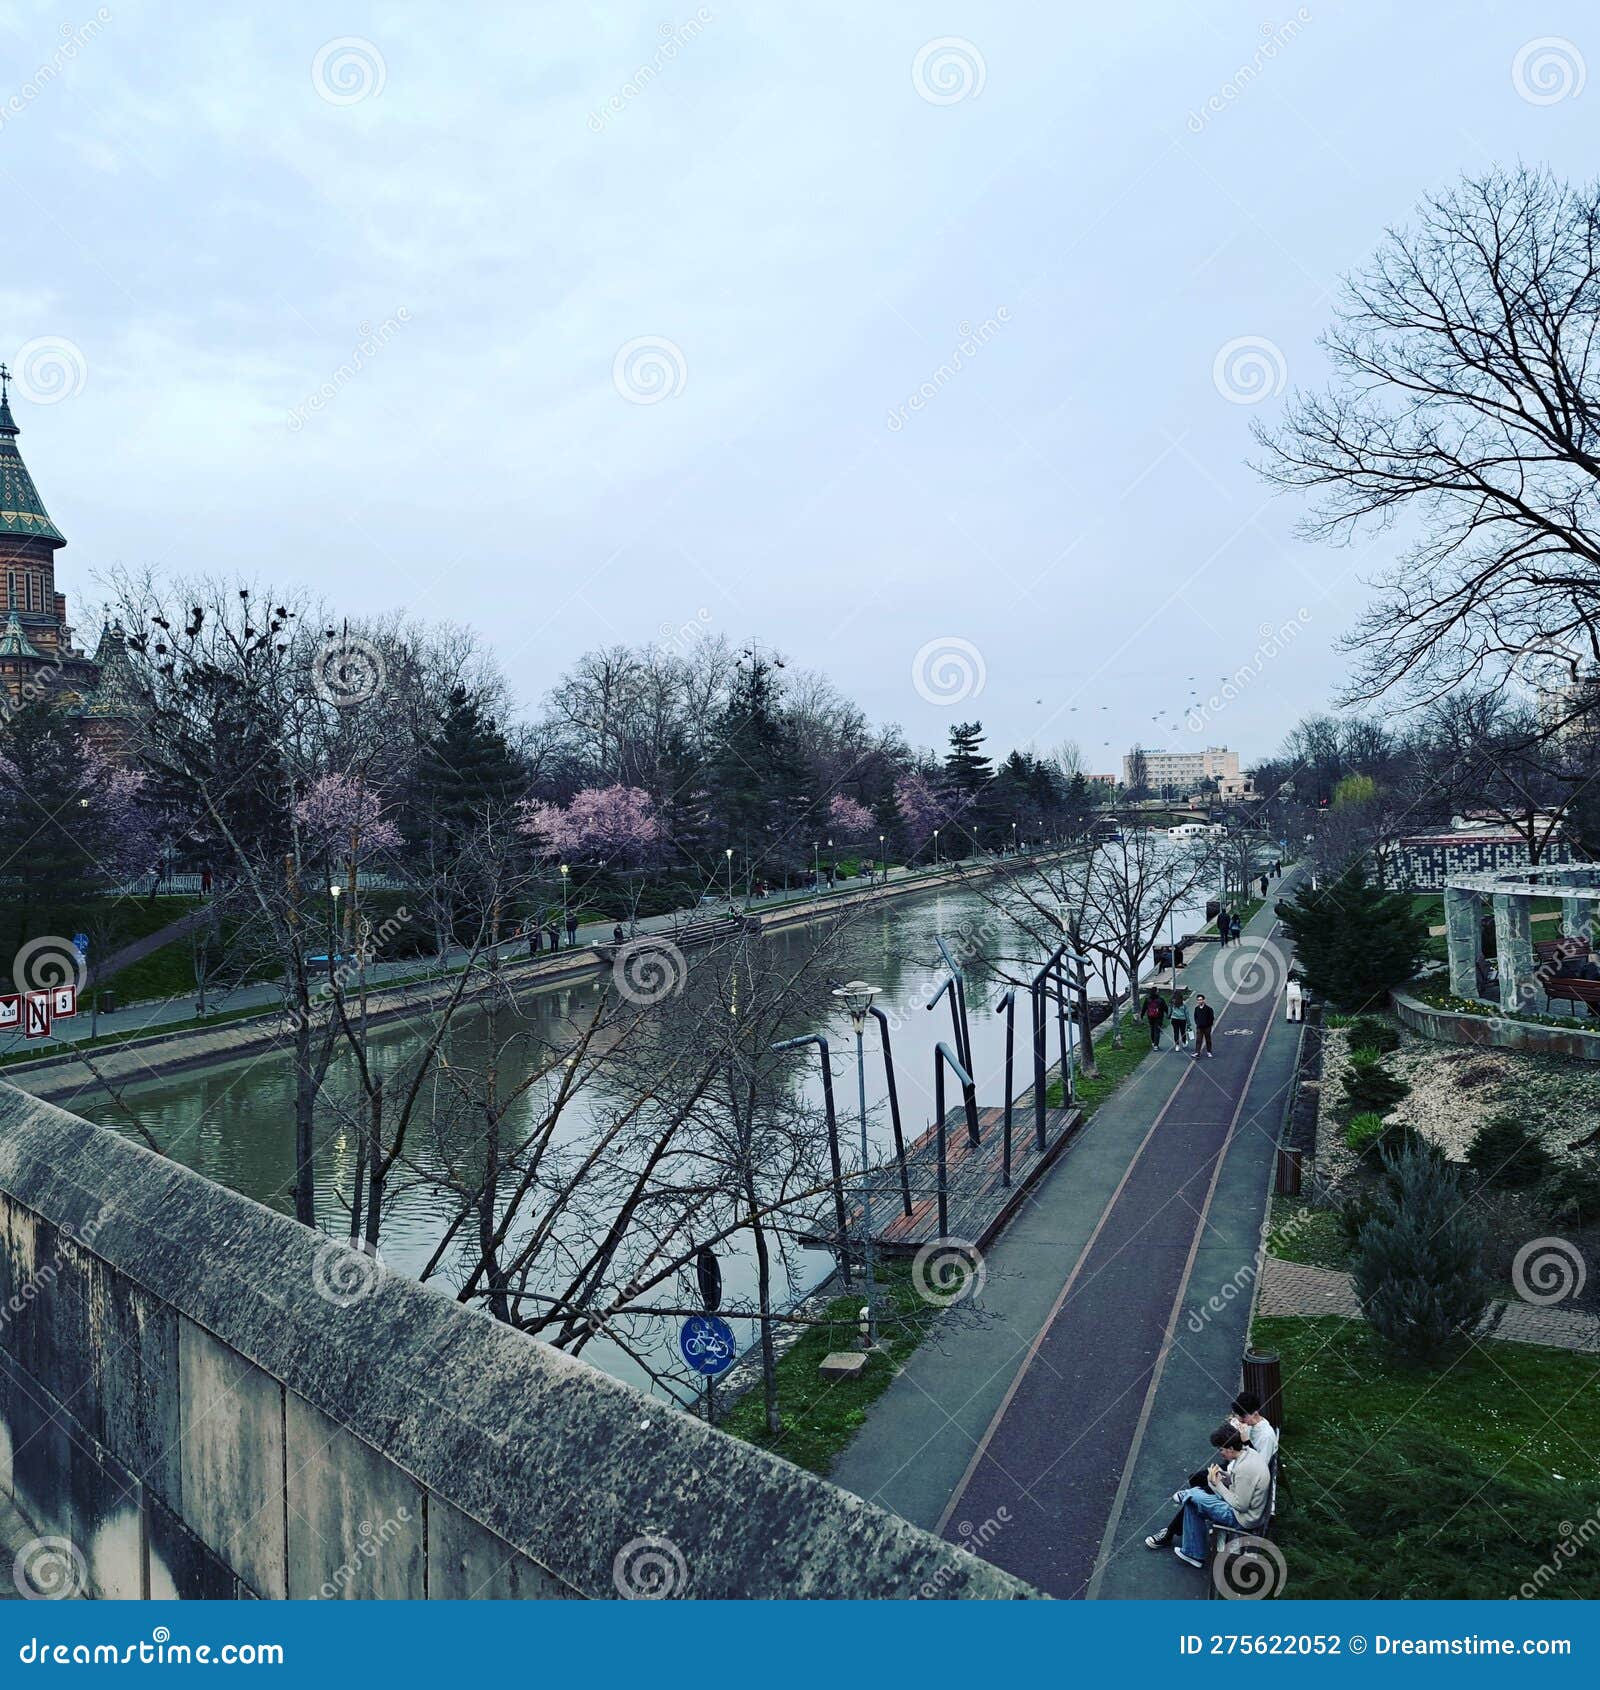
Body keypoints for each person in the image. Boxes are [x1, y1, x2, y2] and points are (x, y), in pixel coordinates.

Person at [1171, 1424, 1272, 1568]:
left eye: (1221, 1449)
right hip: (1246, 1513)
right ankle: (1192, 1553)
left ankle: (1194, 1552)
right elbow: (1240, 1485)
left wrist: (1218, 1485)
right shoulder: (1249, 1453)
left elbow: (1241, 1505)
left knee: (1194, 1498)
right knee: (1192, 1501)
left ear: (1231, 1448)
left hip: (1242, 1519)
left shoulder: (1245, 1469)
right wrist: (1225, 1477)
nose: (1220, 1453)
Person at [1229, 1391, 1279, 1463]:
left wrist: (1246, 1442)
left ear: (1255, 1414)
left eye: (1243, 1416)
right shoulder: (1249, 1424)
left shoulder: (1266, 1436)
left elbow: (1260, 1465)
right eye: (1238, 1415)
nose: (1239, 1419)